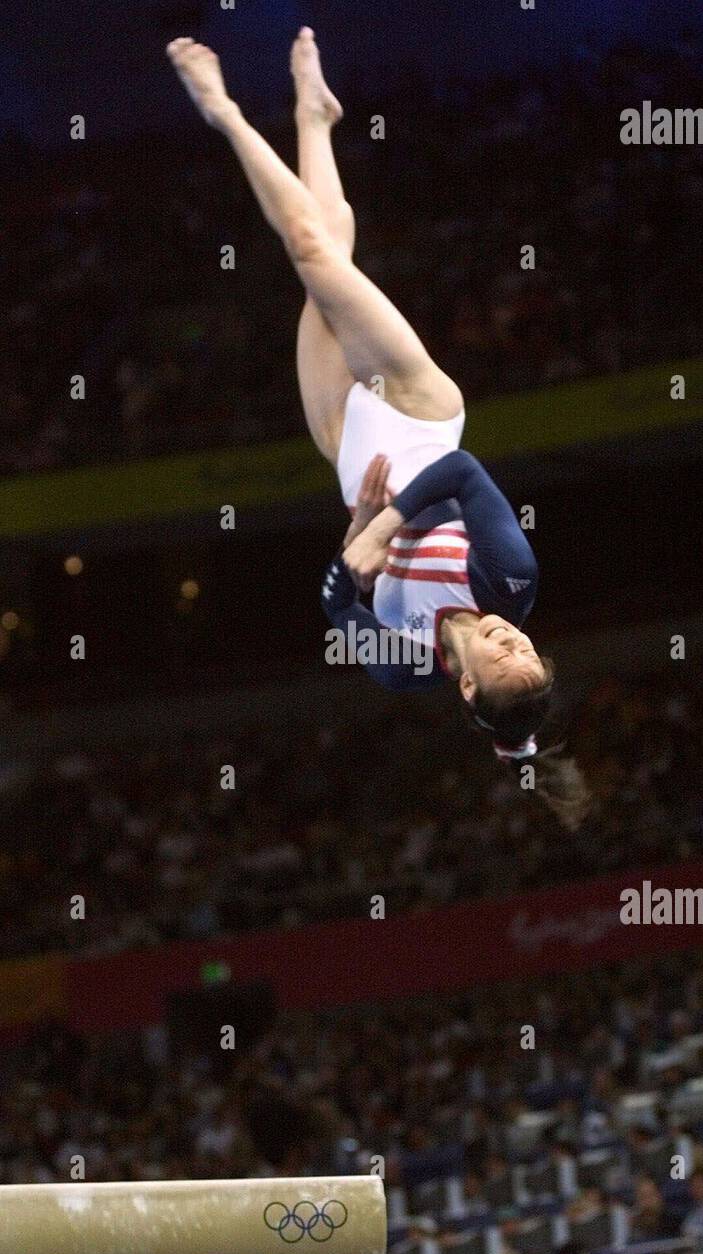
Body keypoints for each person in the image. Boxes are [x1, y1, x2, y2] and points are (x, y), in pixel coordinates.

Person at [167, 30, 589, 828]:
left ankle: (317, 119)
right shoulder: (512, 581)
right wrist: (389, 524)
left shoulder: (404, 670)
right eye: (529, 650)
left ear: (467, 686)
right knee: (309, 253)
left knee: (325, 249)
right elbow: (463, 477)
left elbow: (334, 603)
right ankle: (222, 111)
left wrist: (359, 535)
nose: (514, 642)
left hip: (345, 443)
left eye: (505, 660)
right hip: (416, 406)